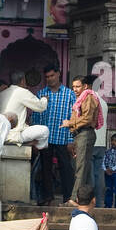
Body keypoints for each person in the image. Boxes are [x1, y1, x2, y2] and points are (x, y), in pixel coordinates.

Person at [35, 65, 76, 205]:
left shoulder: (69, 94)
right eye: (47, 77)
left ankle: (68, 198)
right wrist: (35, 139)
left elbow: (73, 117)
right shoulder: (41, 94)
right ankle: (48, 197)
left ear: (58, 74)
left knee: (66, 169)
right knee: (45, 169)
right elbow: (36, 116)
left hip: (62, 138)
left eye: (52, 76)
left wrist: (71, 140)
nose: (50, 79)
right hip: (45, 139)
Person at [62, 73, 103, 199]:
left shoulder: (89, 97)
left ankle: (75, 198)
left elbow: (88, 119)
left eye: (78, 86)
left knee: (81, 169)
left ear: (85, 86)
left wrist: (70, 123)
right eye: (73, 86)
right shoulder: (81, 98)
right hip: (80, 134)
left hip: (85, 133)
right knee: (84, 169)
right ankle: (87, 199)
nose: (75, 89)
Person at [0, 70, 49, 151]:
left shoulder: (1, 94)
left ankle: (30, 144)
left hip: (1, 134)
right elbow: (41, 107)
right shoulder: (22, 92)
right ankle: (36, 147)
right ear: (22, 81)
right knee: (45, 130)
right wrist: (44, 99)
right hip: (15, 135)